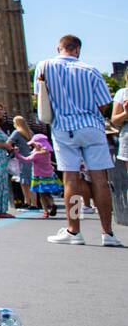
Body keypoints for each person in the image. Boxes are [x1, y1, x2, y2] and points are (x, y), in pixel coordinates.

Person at [35, 35, 122, 247]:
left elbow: (40, 99)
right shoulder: (91, 70)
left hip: (64, 129)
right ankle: (108, 233)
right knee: (100, 179)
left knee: (71, 180)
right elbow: (104, 104)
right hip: (92, 128)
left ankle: (74, 231)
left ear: (59, 48)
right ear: (77, 50)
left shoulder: (44, 66)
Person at [16, 133, 61, 218]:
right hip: (49, 176)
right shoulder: (47, 153)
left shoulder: (36, 154)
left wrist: (17, 154)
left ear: (38, 144)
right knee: (47, 194)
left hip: (39, 177)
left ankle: (46, 211)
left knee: (42, 195)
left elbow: (26, 159)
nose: (32, 146)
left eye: (33, 144)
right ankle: (52, 204)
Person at [10, 116, 40, 210]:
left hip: (22, 159)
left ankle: (27, 202)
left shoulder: (16, 132)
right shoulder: (30, 132)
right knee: (31, 182)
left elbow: (8, 142)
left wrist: (13, 149)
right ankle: (34, 203)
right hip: (32, 159)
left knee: (24, 182)